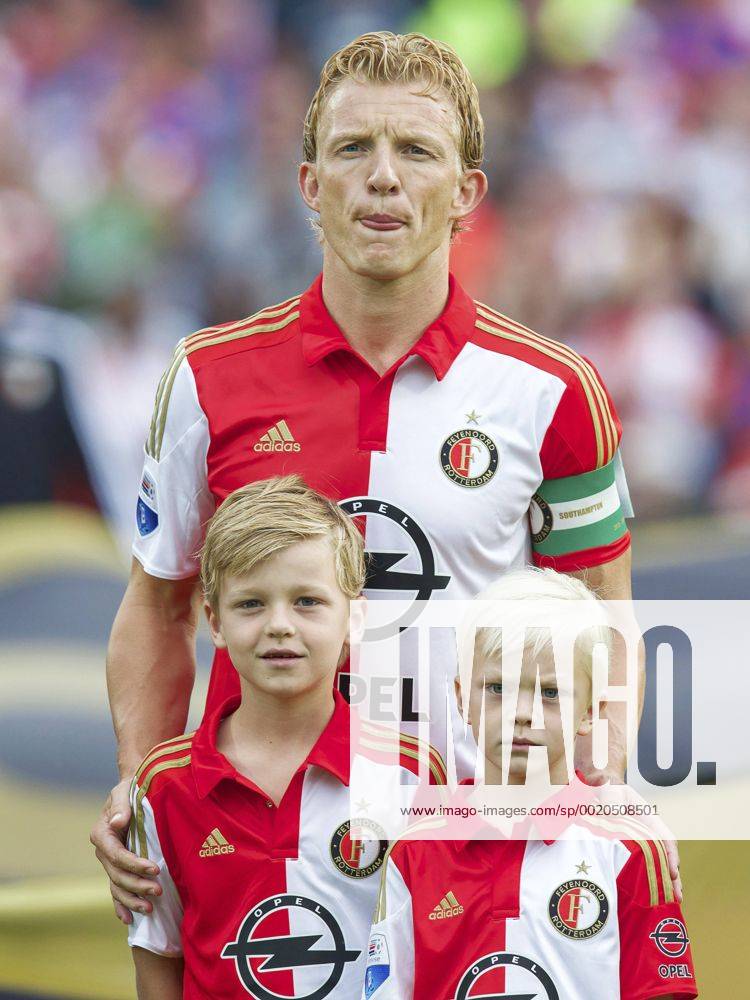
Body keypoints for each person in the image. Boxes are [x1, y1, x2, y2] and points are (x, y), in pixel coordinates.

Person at [92, 30, 644, 925]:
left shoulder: (554, 391)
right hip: (262, 865)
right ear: (311, 183)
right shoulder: (207, 377)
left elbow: (604, 623)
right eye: (354, 149)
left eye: (416, 151)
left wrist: (592, 795)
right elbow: (157, 608)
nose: (383, 177)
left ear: (466, 194)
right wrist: (142, 786)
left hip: (472, 870)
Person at [128, 474, 445, 998]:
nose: (279, 625)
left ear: (356, 618)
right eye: (251, 604)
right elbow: (159, 956)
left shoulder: (410, 775)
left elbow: (432, 952)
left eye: (307, 602)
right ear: (215, 622)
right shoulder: (164, 784)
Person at [362, 568, 697, 1000]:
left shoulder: (628, 851)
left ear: (592, 711)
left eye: (551, 693)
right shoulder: (413, 854)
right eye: (498, 687)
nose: (523, 712)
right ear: (463, 699)